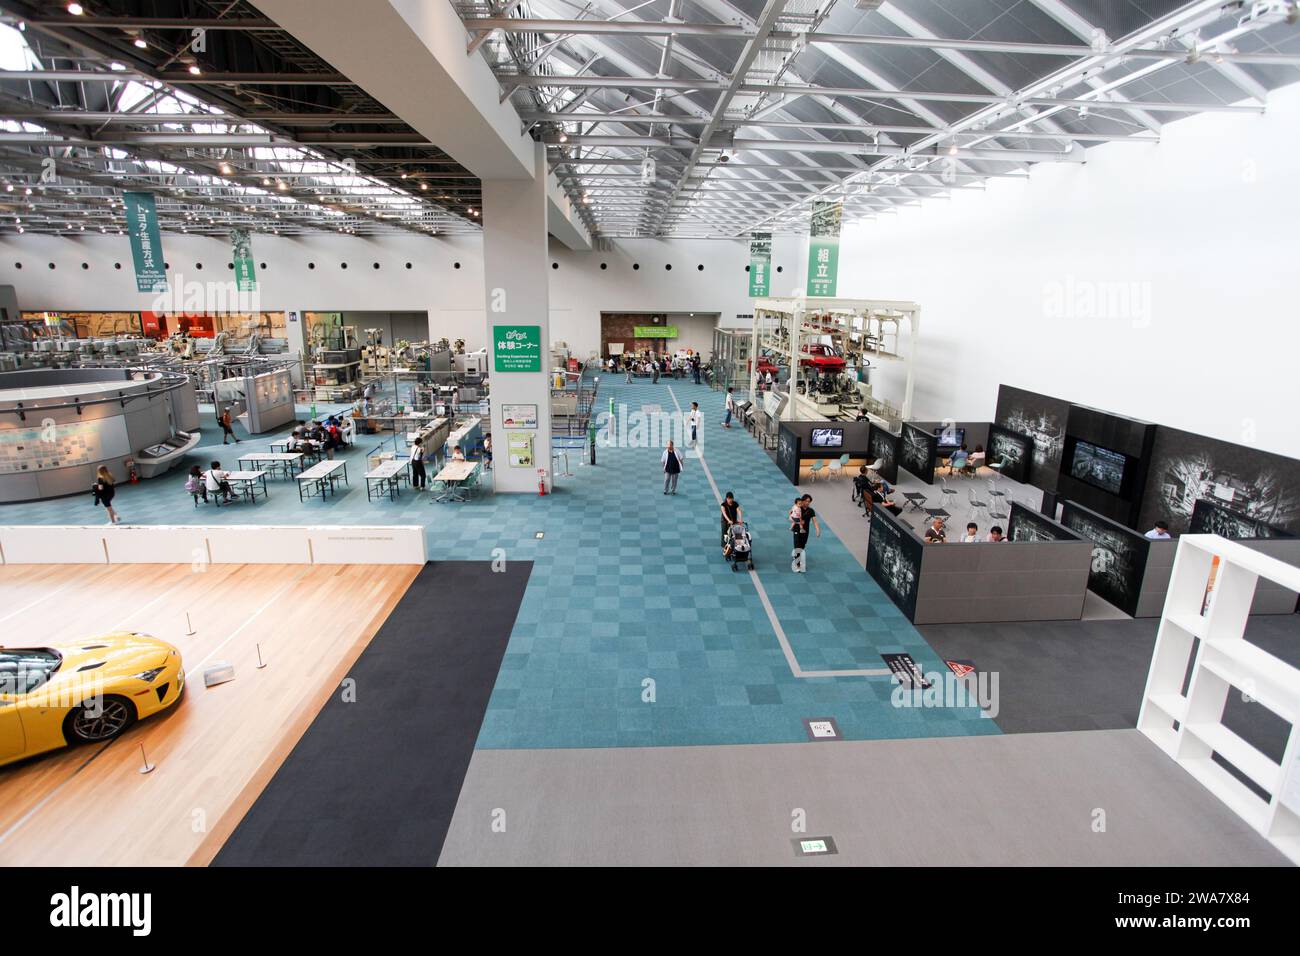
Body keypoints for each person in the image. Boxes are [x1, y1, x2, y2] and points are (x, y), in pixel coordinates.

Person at [792, 494, 821, 571]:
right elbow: (791, 516)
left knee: (802, 546)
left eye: (809, 501)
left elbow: (815, 521)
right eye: (806, 501)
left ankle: (796, 556)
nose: (807, 503)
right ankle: (797, 564)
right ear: (802, 501)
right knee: (797, 545)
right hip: (797, 529)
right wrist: (798, 521)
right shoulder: (798, 508)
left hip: (805, 531)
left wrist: (818, 530)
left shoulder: (811, 511)